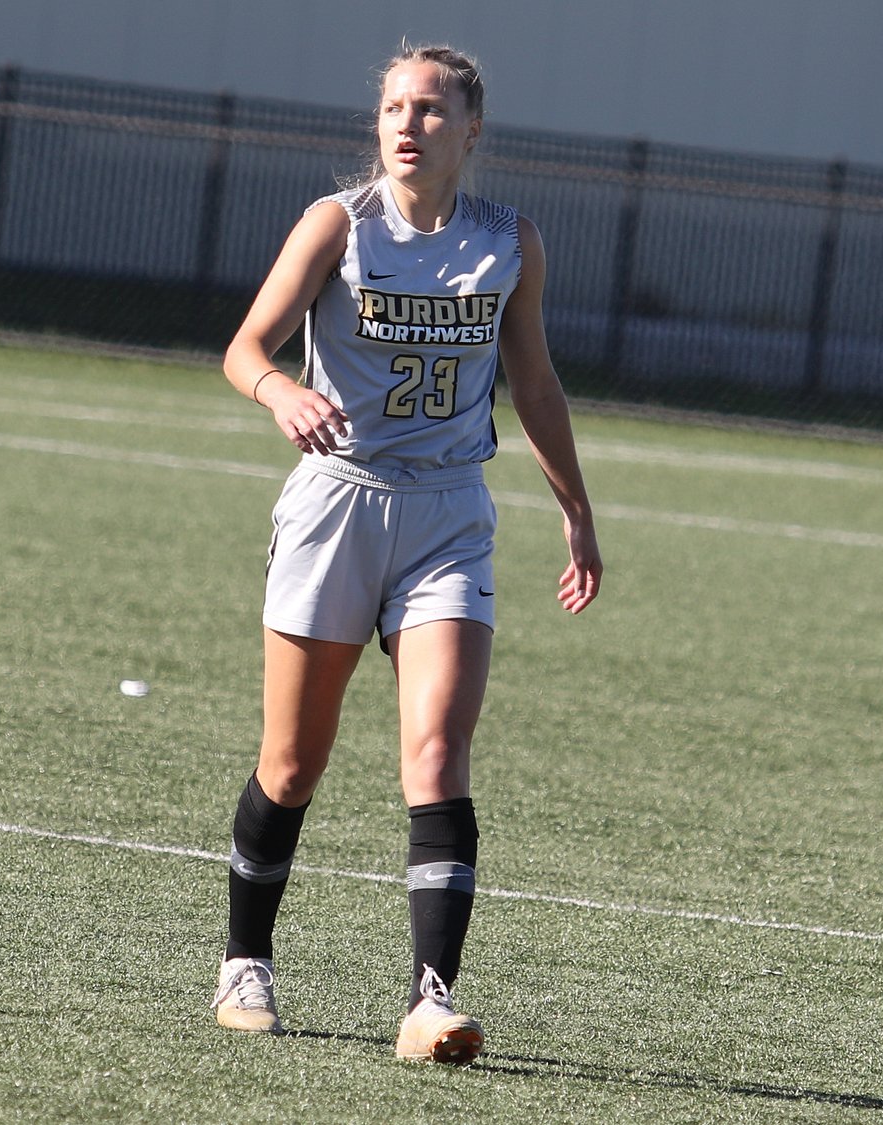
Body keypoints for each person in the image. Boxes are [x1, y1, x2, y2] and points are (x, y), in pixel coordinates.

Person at [212, 43, 602, 1067]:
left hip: (446, 517)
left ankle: (430, 1002)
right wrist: (279, 391)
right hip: (337, 509)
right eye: (393, 106)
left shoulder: (508, 243)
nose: (407, 124)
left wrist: (576, 511)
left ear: (471, 130)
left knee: (436, 751)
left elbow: (538, 386)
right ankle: (244, 961)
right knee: (292, 763)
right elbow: (245, 346)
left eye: (431, 110)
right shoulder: (335, 226)